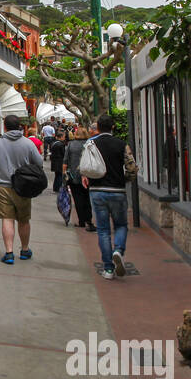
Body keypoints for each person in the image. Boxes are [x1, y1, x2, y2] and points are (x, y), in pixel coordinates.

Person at [0, 114, 46, 264]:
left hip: (2, 186)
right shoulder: (28, 144)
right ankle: (25, 250)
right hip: (23, 186)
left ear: (5, 126)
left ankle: (9, 252)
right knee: (24, 219)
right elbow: (39, 163)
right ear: (19, 125)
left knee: (7, 218)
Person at [83, 114, 137, 279]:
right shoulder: (122, 145)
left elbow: (85, 166)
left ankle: (107, 268)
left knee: (103, 230)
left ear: (97, 127)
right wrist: (125, 180)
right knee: (121, 225)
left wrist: (86, 178)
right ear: (113, 127)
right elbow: (132, 168)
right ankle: (118, 250)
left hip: (97, 190)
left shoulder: (91, 143)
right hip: (117, 190)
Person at [65, 127, 94, 231]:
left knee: (77, 199)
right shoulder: (90, 144)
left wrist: (64, 174)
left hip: (74, 176)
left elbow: (65, 160)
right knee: (87, 198)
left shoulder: (71, 145)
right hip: (88, 175)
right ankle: (89, 220)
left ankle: (81, 221)